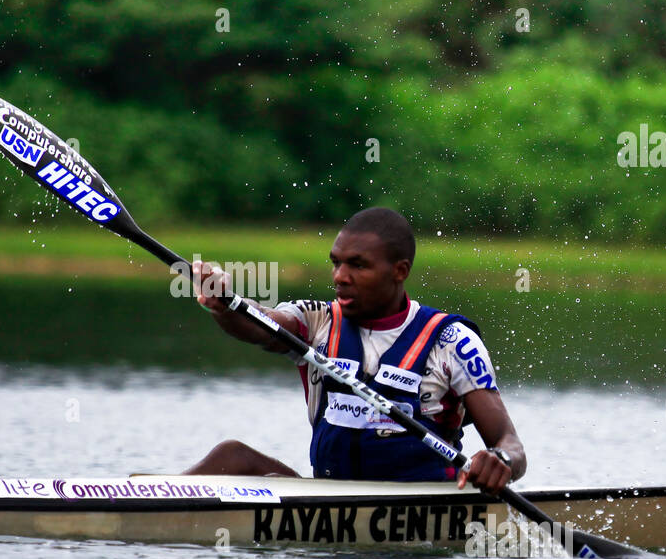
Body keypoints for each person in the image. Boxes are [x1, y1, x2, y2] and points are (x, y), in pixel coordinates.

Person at [183, 207, 525, 494]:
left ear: (399, 271)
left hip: (422, 505)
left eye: (357, 265)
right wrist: (225, 305)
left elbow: (509, 442)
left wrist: (501, 461)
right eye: (336, 263)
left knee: (272, 484)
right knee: (233, 458)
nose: (340, 277)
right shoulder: (317, 321)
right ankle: (142, 505)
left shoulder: (451, 341)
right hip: (332, 502)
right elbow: (261, 326)